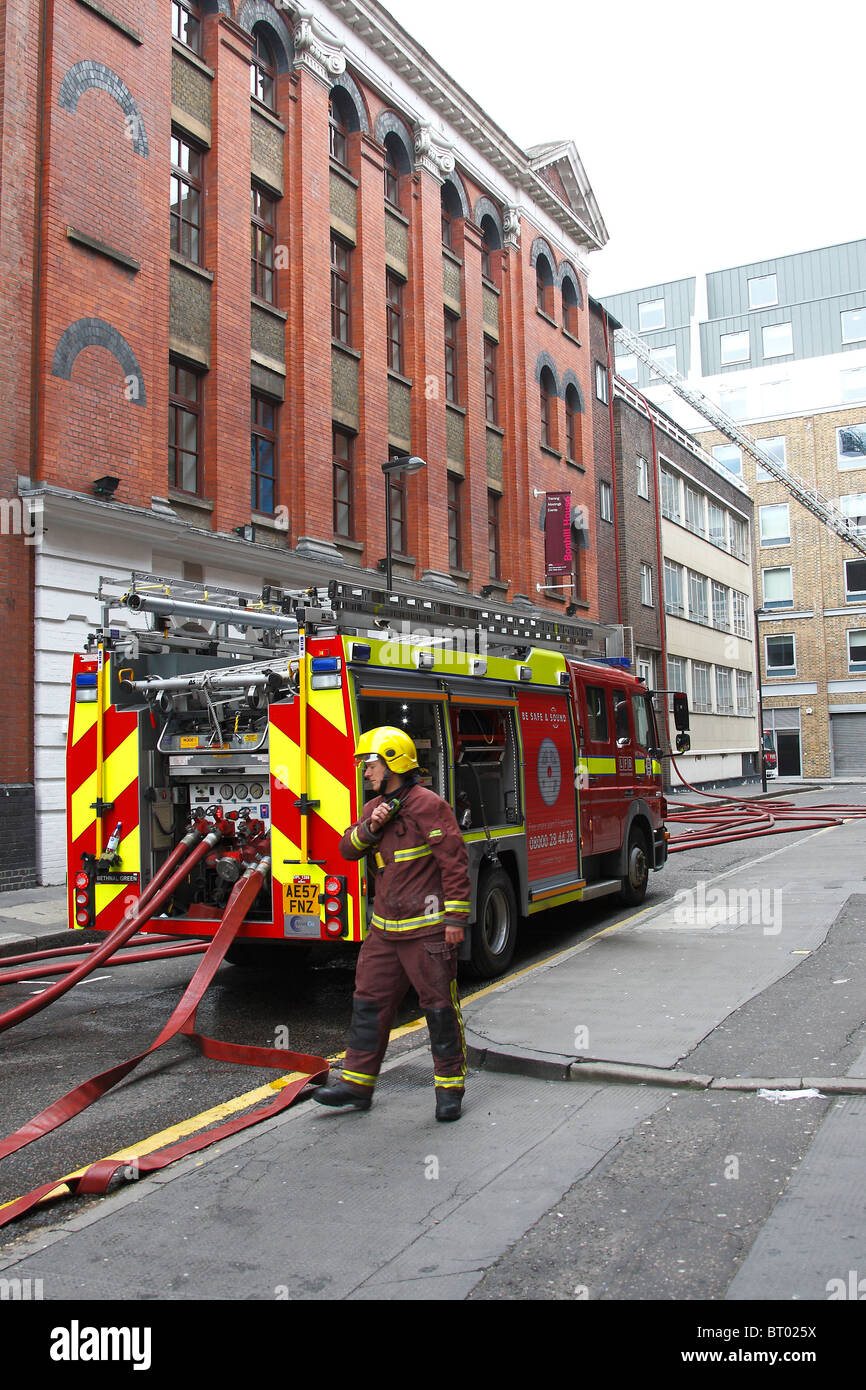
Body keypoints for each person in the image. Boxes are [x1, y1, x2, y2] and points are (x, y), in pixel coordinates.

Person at [313, 726, 471, 1122]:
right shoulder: (374, 809)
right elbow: (346, 849)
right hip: (384, 933)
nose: (366, 772)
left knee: (438, 1008)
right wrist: (372, 827)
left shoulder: (429, 805)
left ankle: (449, 1089)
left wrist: (455, 918)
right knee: (368, 1004)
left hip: (428, 933)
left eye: (370, 764)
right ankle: (356, 1085)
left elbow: (453, 863)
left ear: (392, 763)